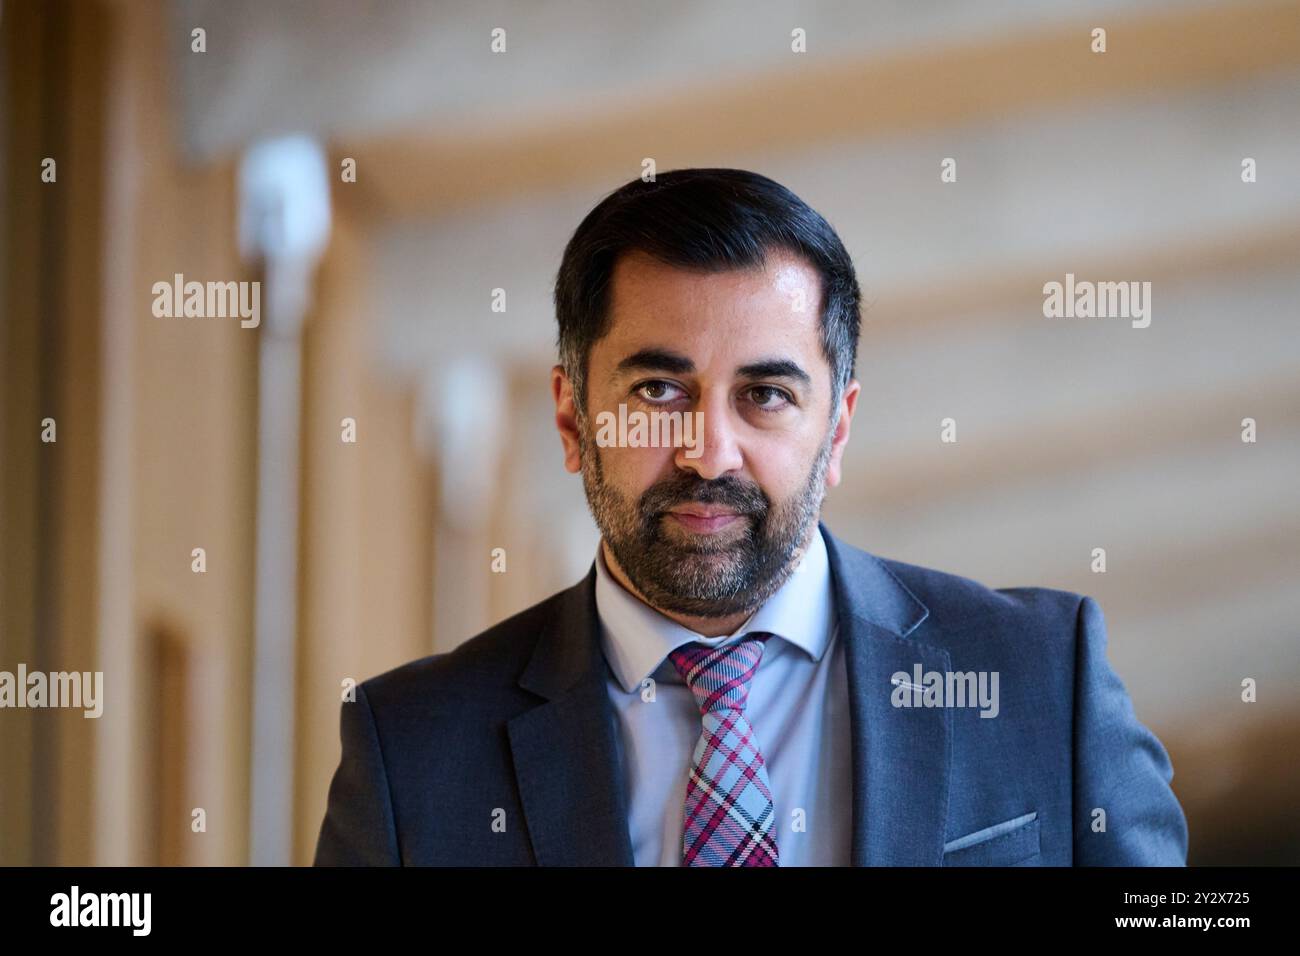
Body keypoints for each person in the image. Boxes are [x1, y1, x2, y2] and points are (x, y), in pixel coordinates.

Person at [314, 168, 1188, 866]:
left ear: (836, 427)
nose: (710, 452)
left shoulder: (1040, 678)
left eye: (765, 395)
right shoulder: (416, 751)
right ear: (574, 418)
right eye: (659, 391)